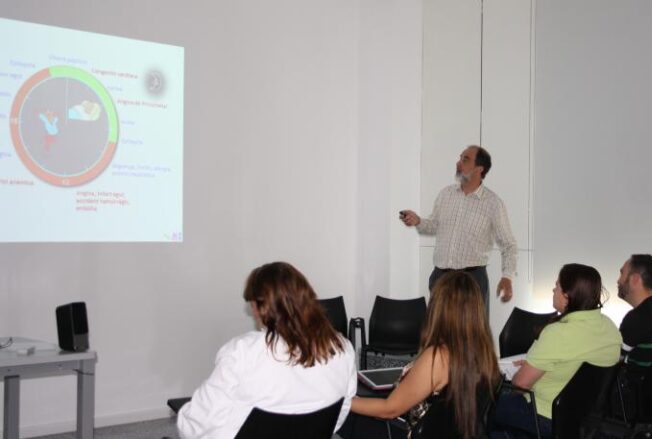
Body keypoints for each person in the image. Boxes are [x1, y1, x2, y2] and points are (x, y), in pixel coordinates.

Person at [177, 262, 357, 439]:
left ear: (261, 308)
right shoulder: (342, 348)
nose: (253, 311)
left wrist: (184, 415)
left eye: (253, 304)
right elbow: (338, 416)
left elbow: (195, 426)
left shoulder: (242, 353)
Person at [350, 271, 501, 439]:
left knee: (350, 422)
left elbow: (389, 409)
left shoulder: (438, 357)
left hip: (418, 431)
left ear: (440, 309)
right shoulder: (486, 354)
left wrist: (345, 402)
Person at [493, 264, 622, 438]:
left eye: (557, 286)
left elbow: (520, 384)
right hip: (584, 419)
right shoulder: (610, 328)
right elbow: (576, 367)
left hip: (543, 417)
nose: (553, 290)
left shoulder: (557, 333)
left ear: (567, 296)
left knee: (482, 404)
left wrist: (517, 376)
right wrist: (537, 365)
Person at [400, 145, 517, 314]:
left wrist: (507, 277)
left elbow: (509, 245)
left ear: (479, 168)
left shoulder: (493, 203)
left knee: (470, 336)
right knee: (439, 334)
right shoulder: (446, 194)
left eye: (465, 159)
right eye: (460, 158)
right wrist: (418, 221)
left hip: (472, 281)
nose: (458, 163)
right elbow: (434, 225)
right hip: (441, 278)